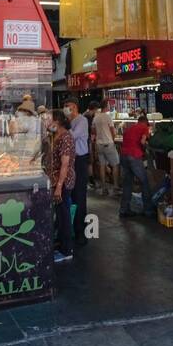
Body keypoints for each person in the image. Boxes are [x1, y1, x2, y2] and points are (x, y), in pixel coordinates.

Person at [44, 109, 76, 263]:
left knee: (64, 216)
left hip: (63, 181)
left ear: (57, 121)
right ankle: (61, 244)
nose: (47, 123)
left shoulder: (66, 138)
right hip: (54, 180)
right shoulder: (54, 136)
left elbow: (65, 164)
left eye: (49, 120)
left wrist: (58, 187)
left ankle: (67, 250)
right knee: (60, 214)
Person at [119, 111, 155, 218]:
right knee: (144, 182)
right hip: (134, 156)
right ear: (146, 122)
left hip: (123, 156)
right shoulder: (144, 128)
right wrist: (147, 150)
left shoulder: (130, 128)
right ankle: (148, 210)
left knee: (127, 183)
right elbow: (143, 142)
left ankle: (124, 209)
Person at [66, 99, 91, 248]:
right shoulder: (71, 120)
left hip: (80, 160)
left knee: (79, 195)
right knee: (71, 194)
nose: (66, 109)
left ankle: (81, 232)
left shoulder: (82, 121)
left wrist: (64, 125)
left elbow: (72, 136)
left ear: (74, 107)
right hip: (70, 160)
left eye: (67, 107)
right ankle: (72, 227)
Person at [92, 100, 119, 196]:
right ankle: (115, 187)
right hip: (108, 144)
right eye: (108, 105)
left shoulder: (96, 117)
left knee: (102, 166)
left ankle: (104, 188)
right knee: (115, 165)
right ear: (106, 106)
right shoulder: (108, 117)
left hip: (99, 144)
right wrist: (113, 139)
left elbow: (93, 132)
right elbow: (112, 131)